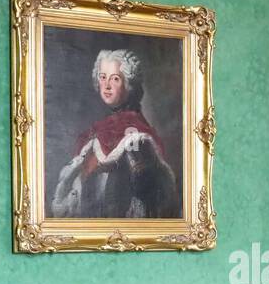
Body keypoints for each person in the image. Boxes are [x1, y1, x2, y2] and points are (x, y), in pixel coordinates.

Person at [51, 49, 179, 218]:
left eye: (115, 79)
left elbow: (146, 200)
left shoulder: (137, 136)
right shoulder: (95, 132)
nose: (107, 85)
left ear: (128, 84)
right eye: (103, 77)